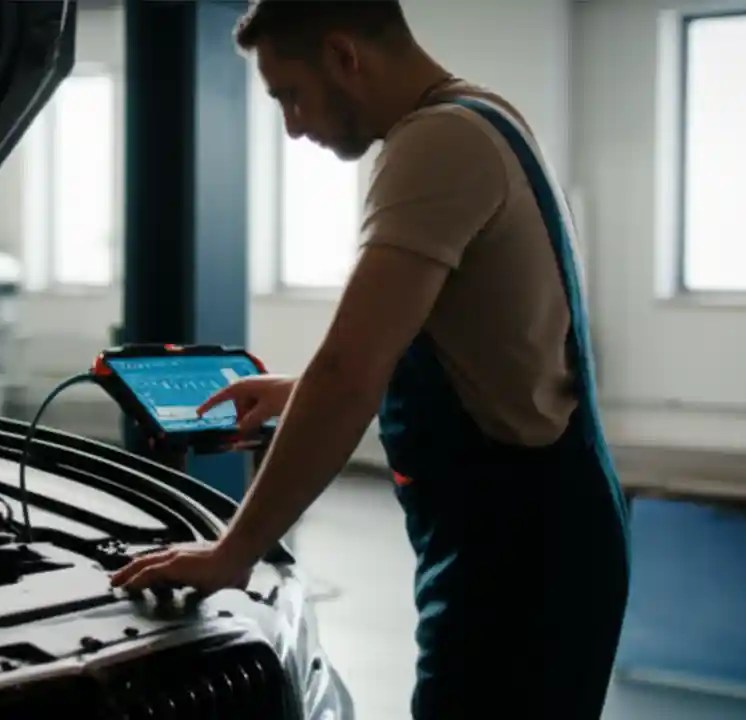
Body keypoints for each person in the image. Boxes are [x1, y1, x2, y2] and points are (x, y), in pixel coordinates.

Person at [109, 1, 631, 716]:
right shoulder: (484, 116)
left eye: (290, 94)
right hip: (538, 533)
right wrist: (296, 391)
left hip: (521, 555)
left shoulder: (438, 142)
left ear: (344, 56)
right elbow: (456, 338)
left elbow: (350, 373)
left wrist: (235, 552)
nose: (292, 125)